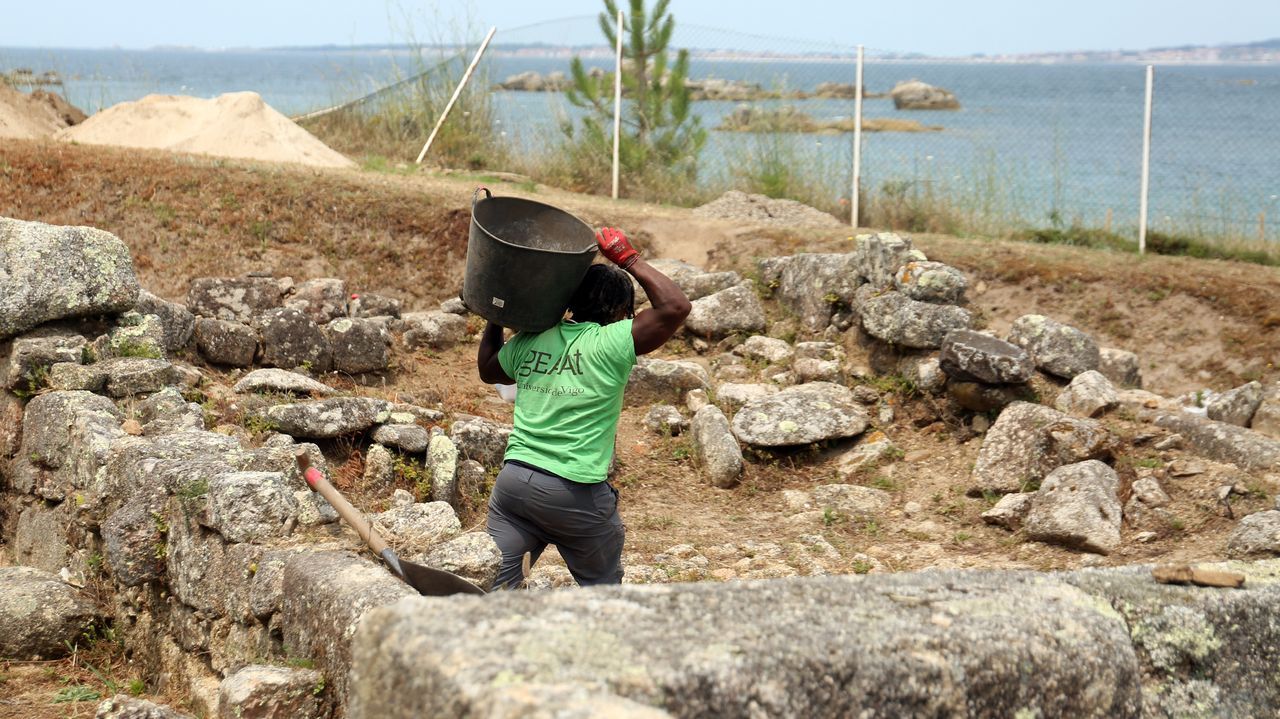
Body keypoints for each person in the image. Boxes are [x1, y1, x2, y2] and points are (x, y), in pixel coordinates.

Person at [477, 227, 691, 588]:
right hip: (573, 492)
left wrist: (495, 314)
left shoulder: (532, 339)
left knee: (498, 595)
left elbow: (488, 370)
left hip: (514, 486)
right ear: (622, 311)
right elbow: (677, 307)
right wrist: (630, 259)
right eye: (629, 313)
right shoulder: (611, 341)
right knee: (603, 596)